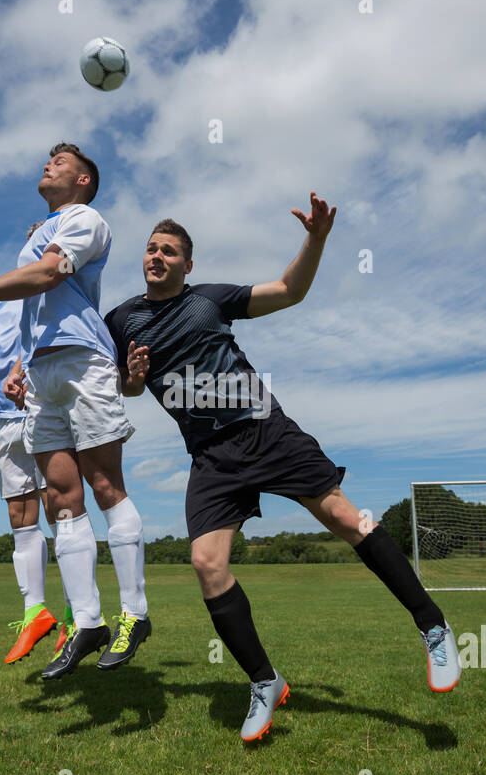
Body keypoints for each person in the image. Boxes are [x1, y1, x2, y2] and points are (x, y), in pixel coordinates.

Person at [102, 193, 460, 744]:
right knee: (205, 562)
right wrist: (132, 374)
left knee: (345, 519)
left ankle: (432, 626)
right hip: (211, 457)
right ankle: (265, 681)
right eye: (151, 248)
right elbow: (124, 388)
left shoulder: (209, 301)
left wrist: (315, 238)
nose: (157, 256)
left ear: (187, 265)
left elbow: (290, 291)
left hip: (265, 429)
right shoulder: (122, 319)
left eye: (169, 251)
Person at [0, 143, 148, 678]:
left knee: (104, 484)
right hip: (43, 373)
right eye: (47, 160)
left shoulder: (85, 219)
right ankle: (89, 622)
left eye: (61, 162)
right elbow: (31, 308)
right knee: (60, 498)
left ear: (83, 181)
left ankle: (135, 614)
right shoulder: (40, 234)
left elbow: (51, 276)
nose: (48, 165)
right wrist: (18, 366)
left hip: (82, 361)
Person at [0, 221, 73, 664]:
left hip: (46, 408)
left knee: (59, 506)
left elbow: (50, 338)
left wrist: (23, 369)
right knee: (20, 515)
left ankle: (75, 613)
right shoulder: (1, 302)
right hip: (6, 419)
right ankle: (35, 613)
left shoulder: (59, 290)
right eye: (31, 238)